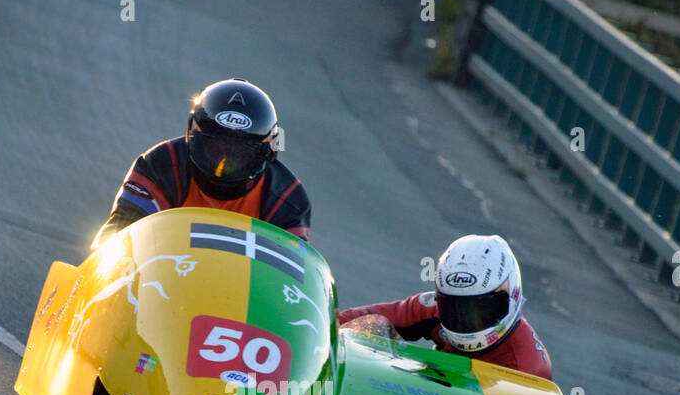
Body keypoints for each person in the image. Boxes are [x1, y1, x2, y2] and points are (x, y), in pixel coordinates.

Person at [92, 78, 311, 248]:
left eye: (240, 152)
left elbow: (293, 281)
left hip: (244, 301)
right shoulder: (160, 165)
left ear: (267, 151)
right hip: (155, 288)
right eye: (215, 147)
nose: (224, 162)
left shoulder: (287, 200)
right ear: (192, 136)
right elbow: (117, 239)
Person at [337, 234, 552, 379]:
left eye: (480, 310)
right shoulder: (434, 308)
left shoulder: (528, 368)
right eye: (455, 308)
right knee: (371, 326)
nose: (466, 320)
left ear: (510, 295)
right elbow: (354, 319)